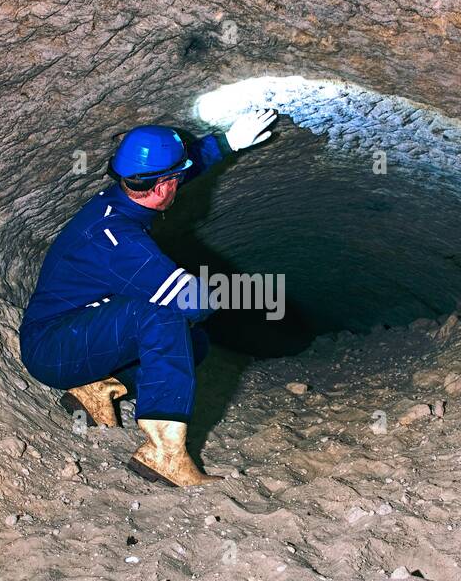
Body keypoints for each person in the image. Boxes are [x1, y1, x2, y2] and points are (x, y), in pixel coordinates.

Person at [20, 109, 278, 487]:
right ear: (162, 188)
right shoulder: (119, 241)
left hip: (78, 330)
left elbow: (169, 176)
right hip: (53, 350)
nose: (179, 183)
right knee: (165, 314)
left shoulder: (122, 197)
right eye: (176, 179)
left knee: (193, 344)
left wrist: (226, 143)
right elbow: (194, 302)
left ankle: (98, 388)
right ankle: (164, 453)